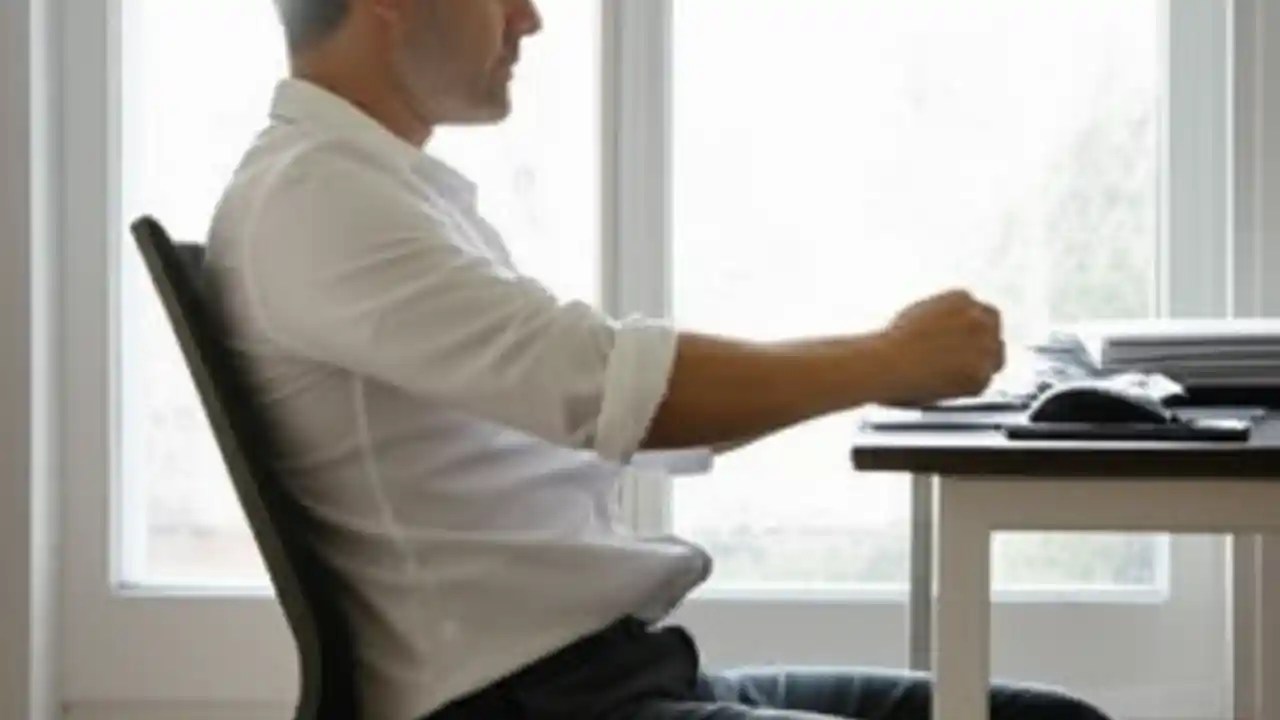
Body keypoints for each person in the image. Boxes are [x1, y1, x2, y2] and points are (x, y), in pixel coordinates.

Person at [204, 0, 1113, 718]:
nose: (529, 18)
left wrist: (879, 363)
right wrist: (888, 360)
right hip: (533, 704)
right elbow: (617, 390)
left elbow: (614, 401)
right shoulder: (317, 200)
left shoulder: (368, 190)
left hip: (607, 680)